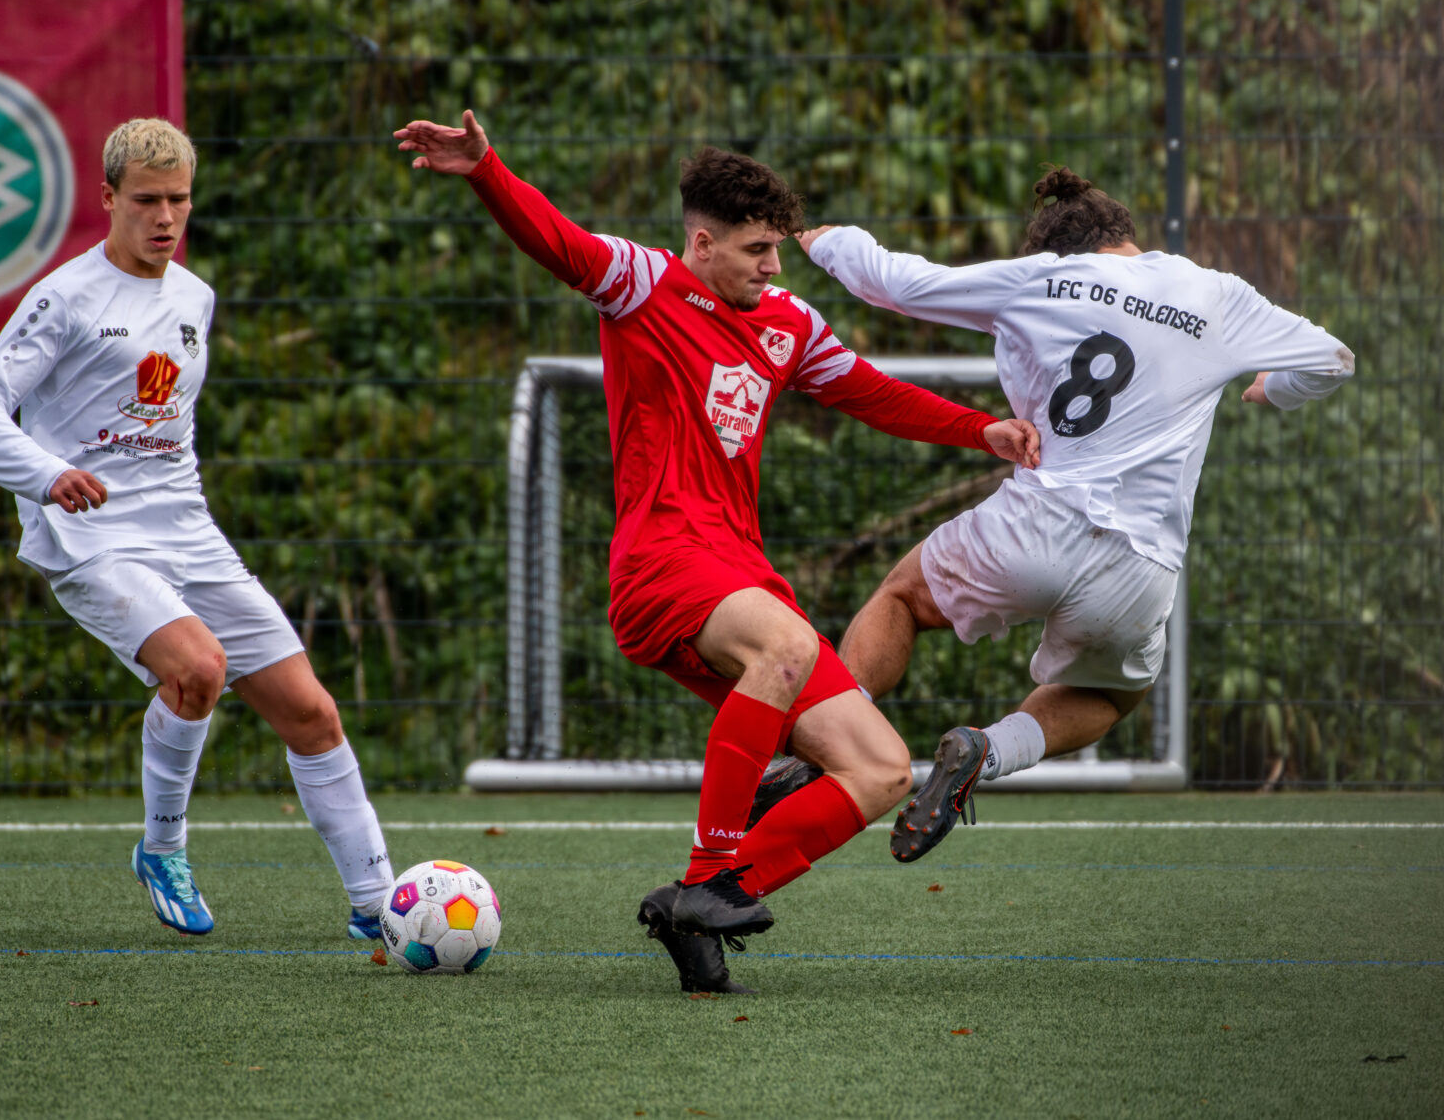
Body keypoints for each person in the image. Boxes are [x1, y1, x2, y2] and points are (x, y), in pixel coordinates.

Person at [394, 111, 1040, 992]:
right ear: (702, 243)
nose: (774, 265)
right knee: (782, 645)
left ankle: (700, 902)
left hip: (739, 570)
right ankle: (711, 863)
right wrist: (484, 169)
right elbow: (556, 239)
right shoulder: (641, 285)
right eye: (756, 249)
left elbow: (871, 393)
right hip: (664, 561)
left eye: (776, 248)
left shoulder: (788, 323)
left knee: (882, 767)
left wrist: (983, 430)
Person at [795, 165, 1356, 862]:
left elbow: (899, 283)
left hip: (1036, 524)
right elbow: (1335, 359)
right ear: (1126, 237)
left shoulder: (1040, 280)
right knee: (1111, 696)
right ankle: (986, 750)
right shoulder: (1214, 294)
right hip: (1140, 568)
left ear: (1057, 250)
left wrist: (823, 240)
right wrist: (1275, 389)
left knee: (903, 597)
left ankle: (830, 737)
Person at [0, 119, 394, 939]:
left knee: (312, 712)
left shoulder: (194, 297)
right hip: (89, 534)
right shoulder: (65, 297)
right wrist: (49, 476)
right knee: (198, 668)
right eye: (147, 200)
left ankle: (382, 903)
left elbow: (169, 425)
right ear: (109, 198)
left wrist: (192, 524)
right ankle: (164, 848)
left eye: (179, 200)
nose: (165, 217)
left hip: (185, 531)